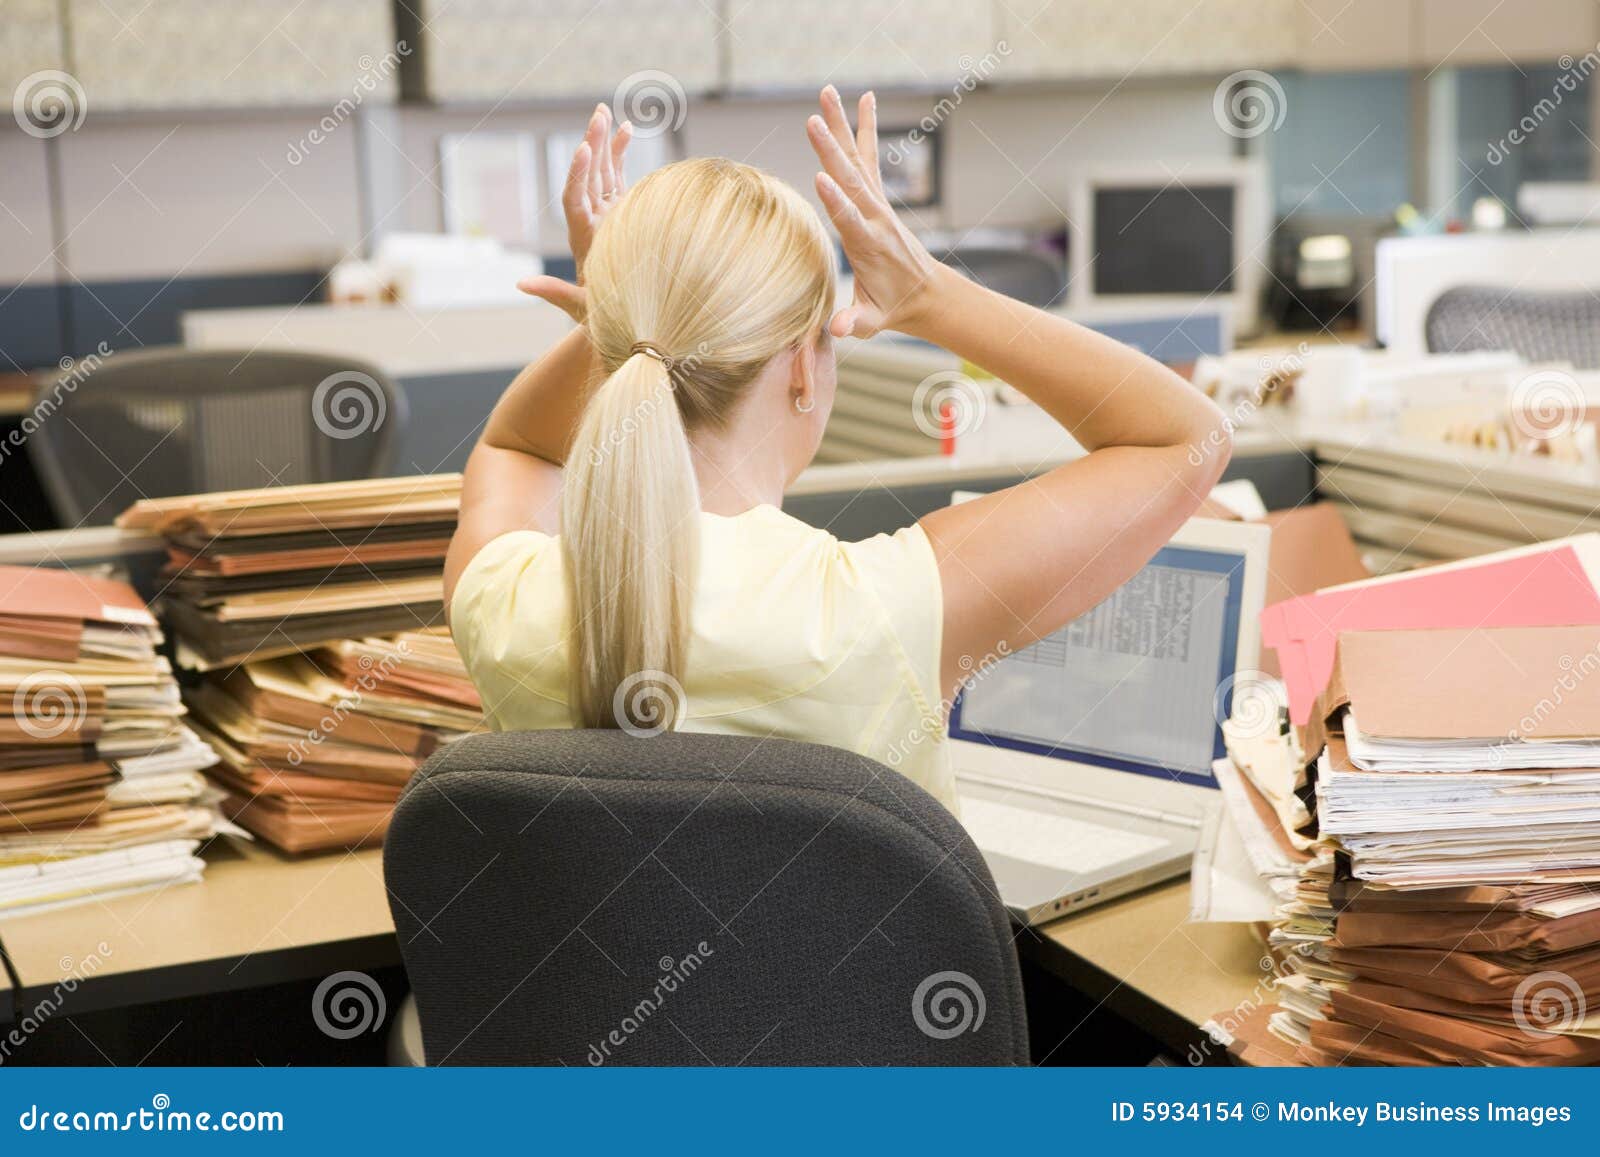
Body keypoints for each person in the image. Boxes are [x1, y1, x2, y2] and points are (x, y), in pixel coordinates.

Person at [445, 87, 1230, 812]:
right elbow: (1185, 436)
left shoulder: (506, 602)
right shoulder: (885, 609)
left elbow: (519, 448)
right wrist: (928, 290)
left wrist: (621, 313)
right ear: (800, 366)